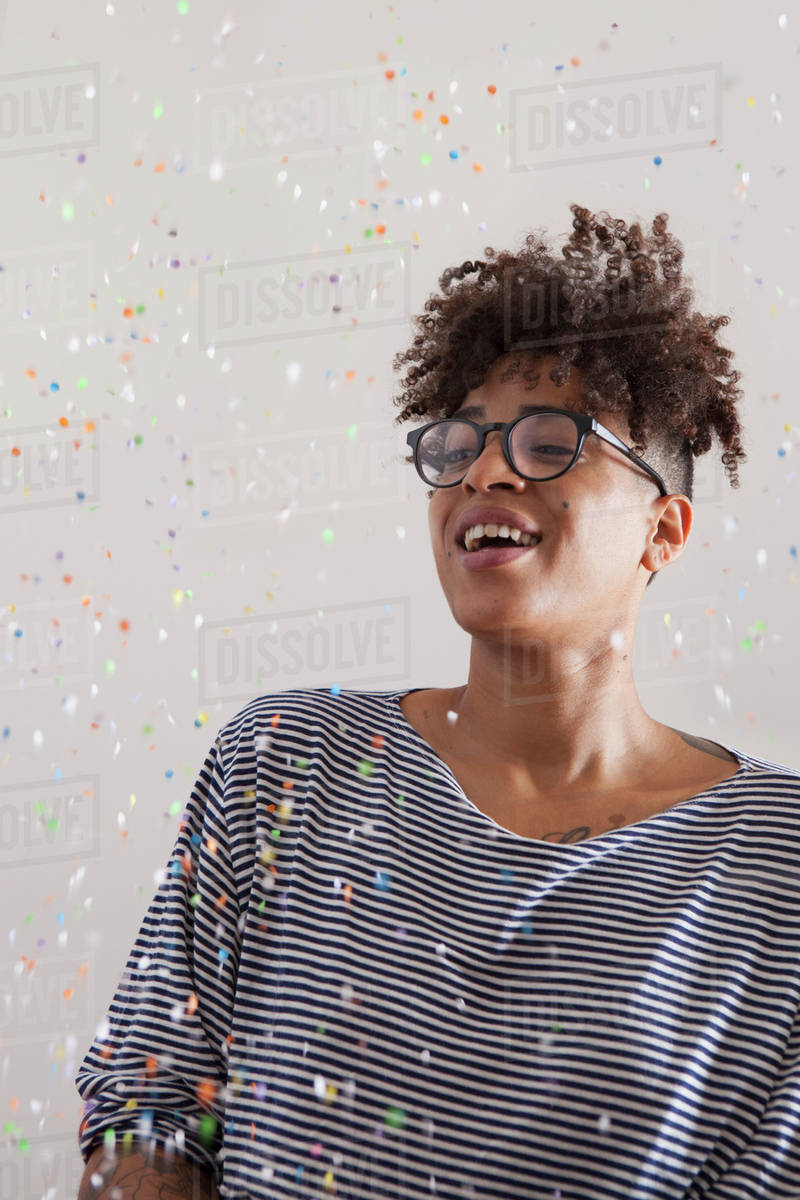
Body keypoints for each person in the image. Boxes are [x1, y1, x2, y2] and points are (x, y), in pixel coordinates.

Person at [75, 205, 800, 1198]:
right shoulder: (285, 761)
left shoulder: (775, 863)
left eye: (550, 441)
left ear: (662, 530)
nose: (485, 471)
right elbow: (150, 1112)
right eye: (458, 444)